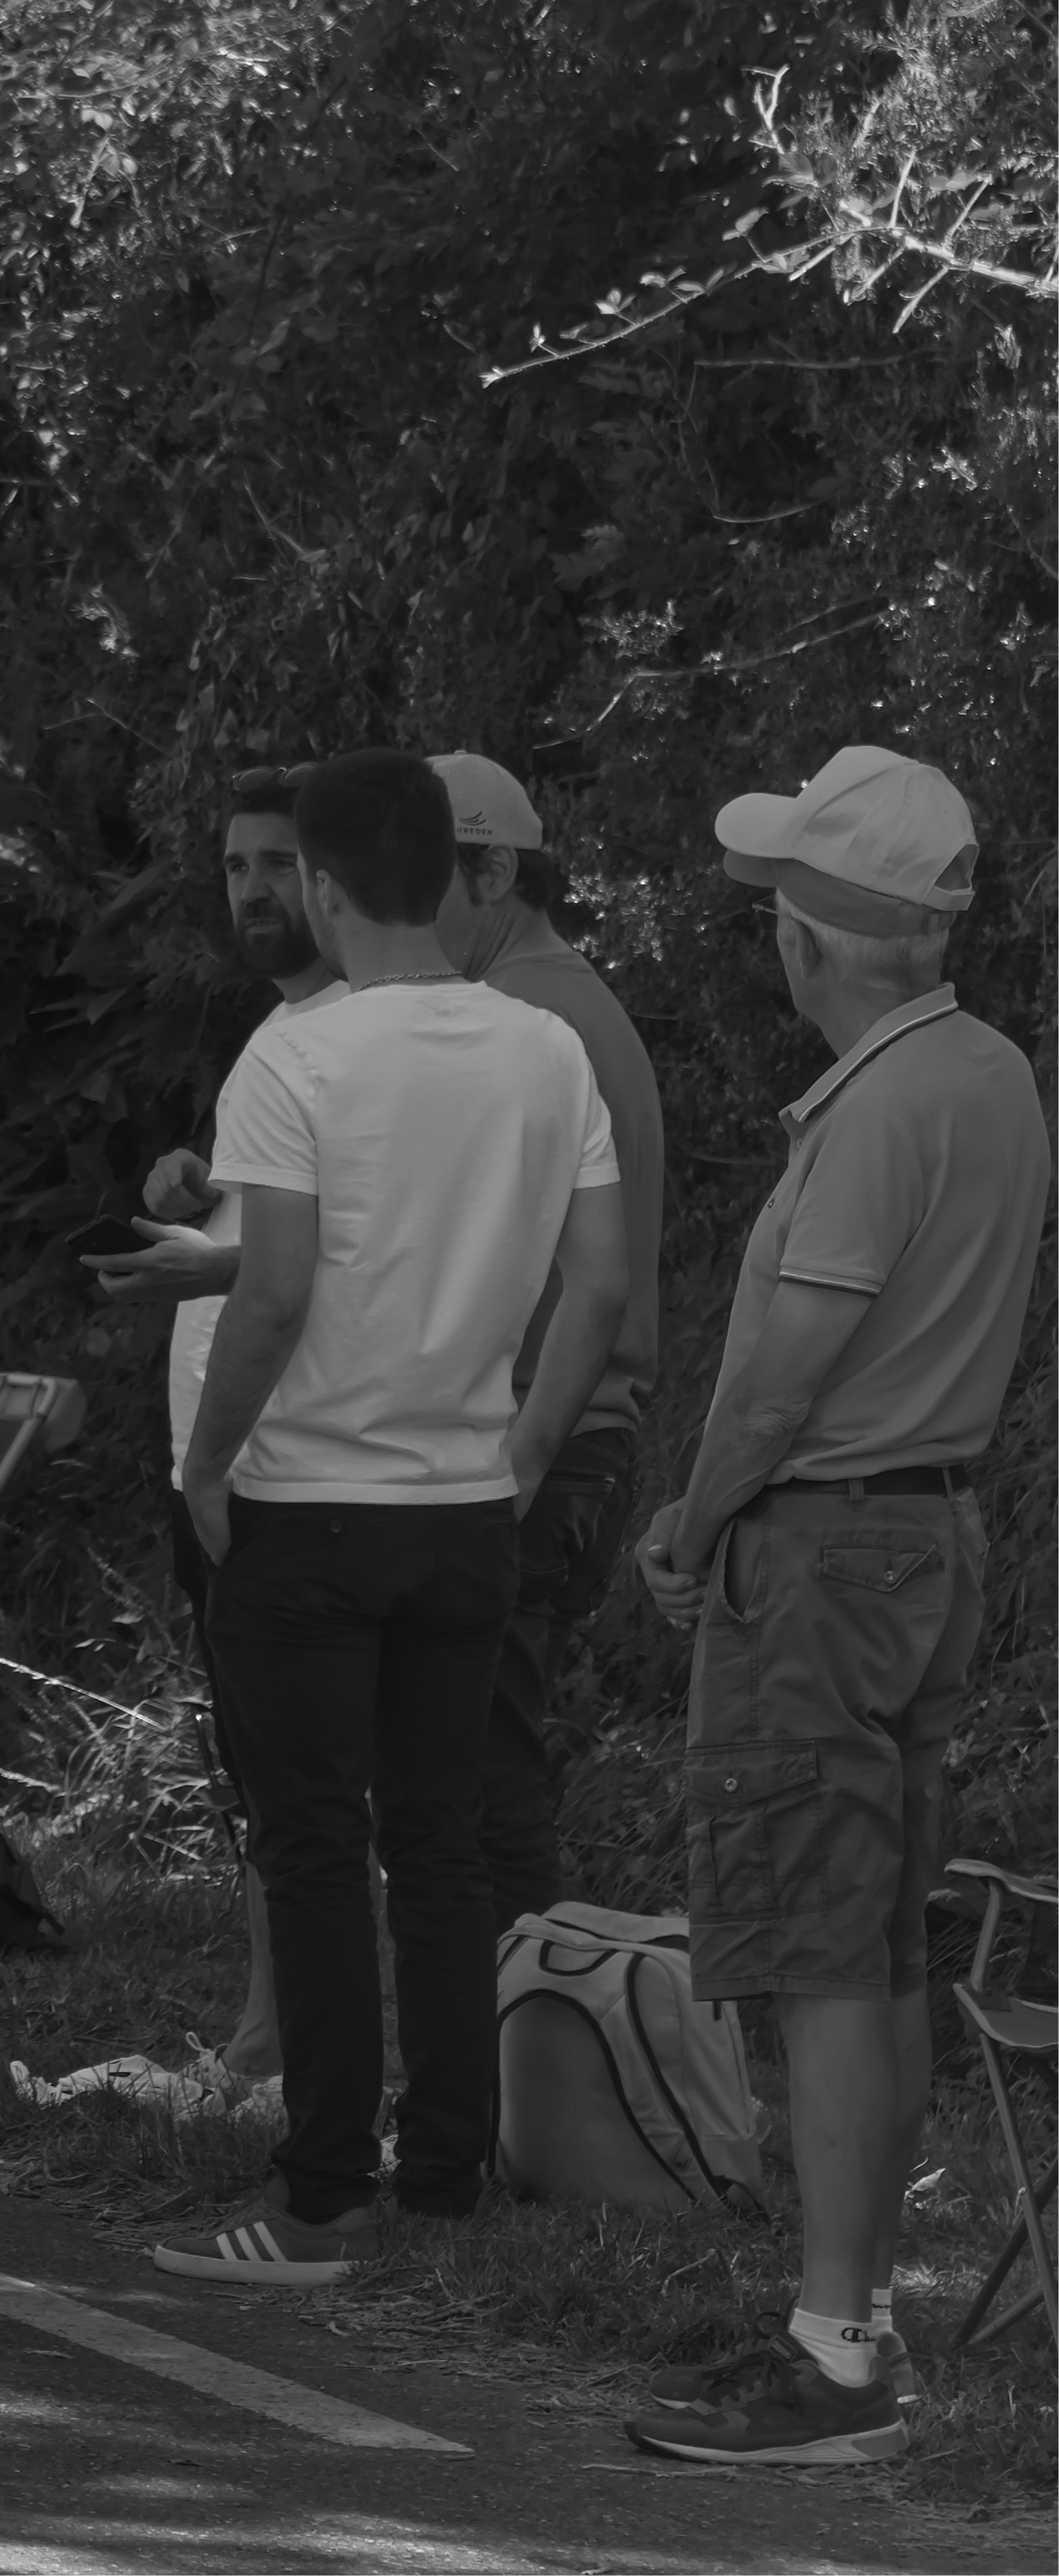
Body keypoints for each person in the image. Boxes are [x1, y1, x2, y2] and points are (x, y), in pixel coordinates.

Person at [149, 752, 626, 2284]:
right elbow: (599, 1286)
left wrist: (208, 1466)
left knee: (310, 1846)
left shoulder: (296, 1063)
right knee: (438, 1846)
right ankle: (439, 2183)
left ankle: (315, 2199)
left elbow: (276, 1291)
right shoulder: (549, 1049)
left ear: (335, 888)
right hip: (469, 1501)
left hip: (310, 1503)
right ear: (444, 872)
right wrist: (528, 1447)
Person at [623, 746, 1046, 2468]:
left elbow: (787, 1372)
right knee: (867, 1941)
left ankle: (838, 2354)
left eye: (780, 905)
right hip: (926, 1541)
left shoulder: (876, 1105)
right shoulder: (990, 1073)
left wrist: (692, 1519)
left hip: (824, 1546)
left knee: (816, 1947)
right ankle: (845, 2320)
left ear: (815, 936)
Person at [88, 763, 348, 2086]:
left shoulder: (350, 1032)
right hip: (230, 1466)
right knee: (267, 1775)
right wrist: (197, 1188)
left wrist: (213, 1264)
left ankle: (280, 2050)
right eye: (236, 863)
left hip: (284, 1466)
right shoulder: (277, 1029)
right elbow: (272, 1225)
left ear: (336, 874)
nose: (251, 887)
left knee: (304, 1784)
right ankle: (274, 2033)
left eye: (277, 862)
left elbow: (352, 1263)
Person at [428, 752, 670, 1924]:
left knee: (477, 1778)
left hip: (536, 1435)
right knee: (481, 1761)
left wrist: (508, 1464)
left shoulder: (524, 1014)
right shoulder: (563, 995)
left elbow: (490, 1265)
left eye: (418, 878)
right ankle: (489, 2074)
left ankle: (502, 2084)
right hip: (570, 1433)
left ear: (491, 871)